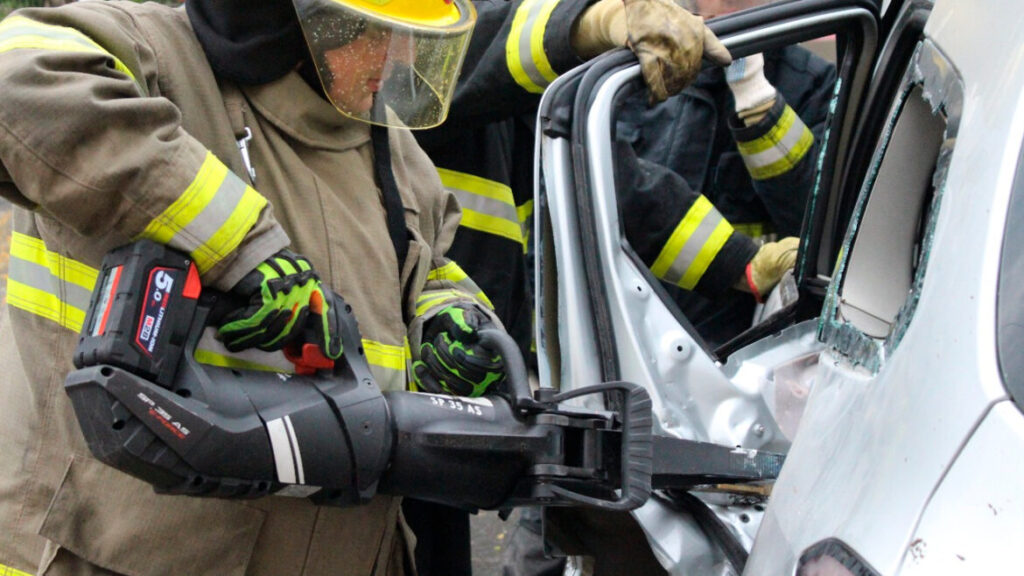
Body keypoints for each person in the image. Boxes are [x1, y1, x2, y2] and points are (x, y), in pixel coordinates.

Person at [0, 0, 508, 574]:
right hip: (127, 553)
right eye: (379, 33)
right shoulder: (153, 53)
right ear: (291, 19)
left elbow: (430, 262)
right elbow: (18, 84)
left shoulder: (389, 145)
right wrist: (239, 246)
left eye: (414, 36)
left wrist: (448, 315)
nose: (402, 59)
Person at [406, 1, 737, 574]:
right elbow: (449, 54)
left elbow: (614, 186)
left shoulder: (513, 88)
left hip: (456, 375)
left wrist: (744, 264)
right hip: (390, 362)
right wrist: (584, 25)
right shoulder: (424, 43)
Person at [617, 0, 837, 347]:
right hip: (623, 327)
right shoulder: (637, 68)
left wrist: (757, 100)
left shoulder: (815, 86)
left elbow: (817, 227)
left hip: (735, 350)